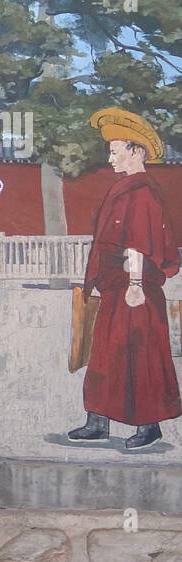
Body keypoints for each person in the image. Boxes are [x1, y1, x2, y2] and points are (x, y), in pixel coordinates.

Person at [67, 108, 180, 450]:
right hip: (117, 287)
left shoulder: (143, 193)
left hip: (137, 289)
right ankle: (98, 421)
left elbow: (138, 243)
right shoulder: (124, 188)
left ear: (136, 151)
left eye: (116, 151)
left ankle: (149, 426)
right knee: (106, 352)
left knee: (140, 355)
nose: (111, 157)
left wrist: (134, 286)